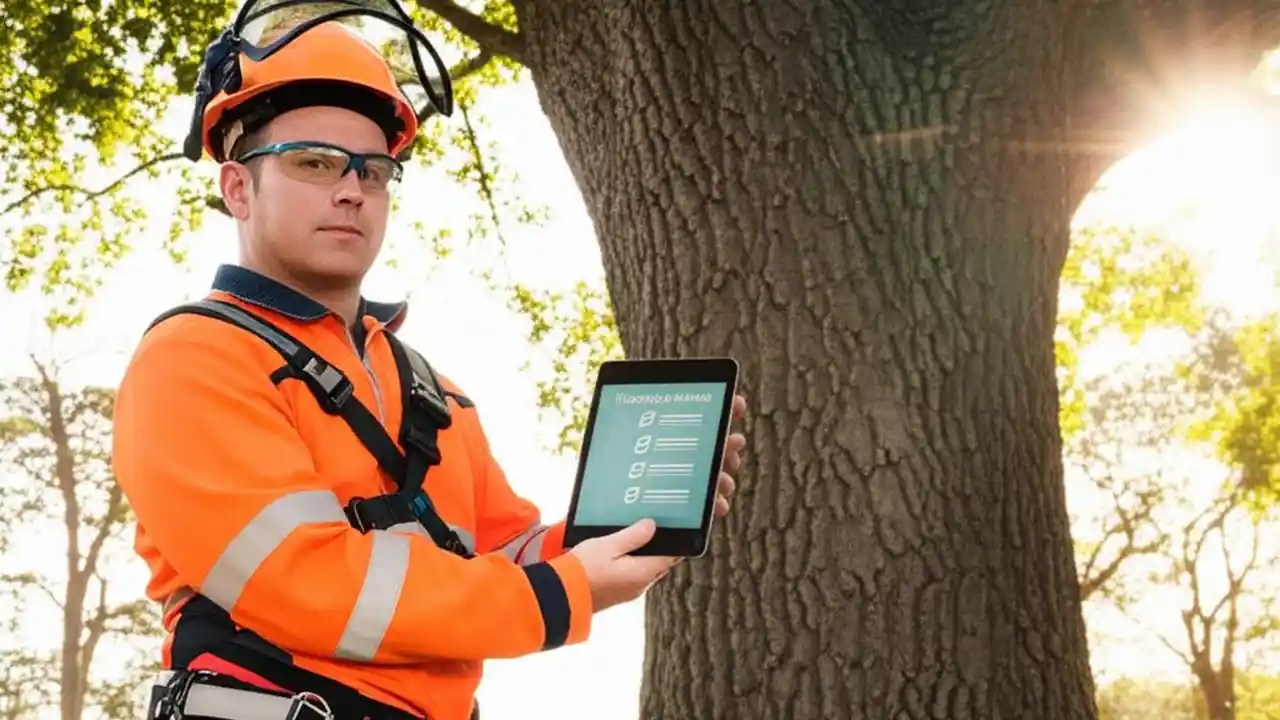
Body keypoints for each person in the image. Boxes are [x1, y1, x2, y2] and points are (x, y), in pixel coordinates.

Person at [111, 3, 748, 720]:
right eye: (313, 163)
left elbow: (501, 563)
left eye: (374, 170)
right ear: (237, 188)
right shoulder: (194, 360)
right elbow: (307, 583)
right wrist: (566, 593)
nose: (351, 189)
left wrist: (621, 530)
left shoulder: (432, 391)